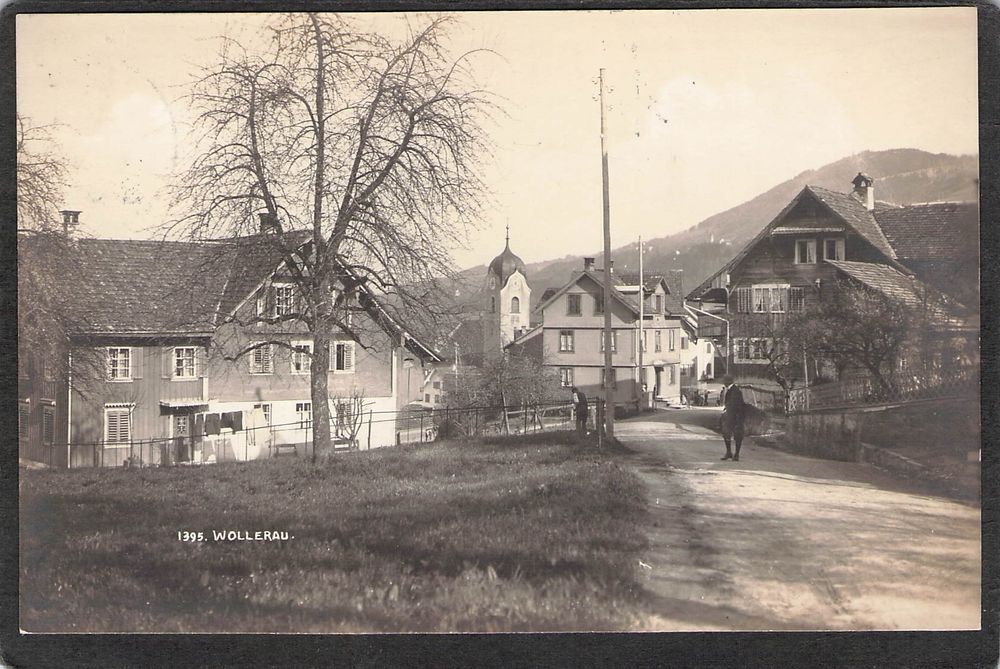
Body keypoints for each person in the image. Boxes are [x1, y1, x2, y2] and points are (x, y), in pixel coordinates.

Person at [719, 375, 745, 461]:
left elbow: (735, 404)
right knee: (726, 433)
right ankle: (729, 452)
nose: (723, 382)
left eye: (724, 381)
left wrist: (729, 412)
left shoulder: (735, 391)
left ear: (728, 382)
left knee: (737, 436)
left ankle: (736, 454)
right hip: (731, 416)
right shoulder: (730, 389)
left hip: (736, 416)